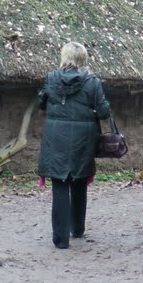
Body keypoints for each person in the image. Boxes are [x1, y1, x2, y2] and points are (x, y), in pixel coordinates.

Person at [37, 41, 110, 249]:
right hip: (83, 138)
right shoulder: (93, 82)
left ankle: (61, 239)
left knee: (60, 183)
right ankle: (77, 228)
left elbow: (42, 104)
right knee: (79, 179)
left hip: (56, 137)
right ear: (83, 58)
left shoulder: (51, 78)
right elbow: (104, 112)